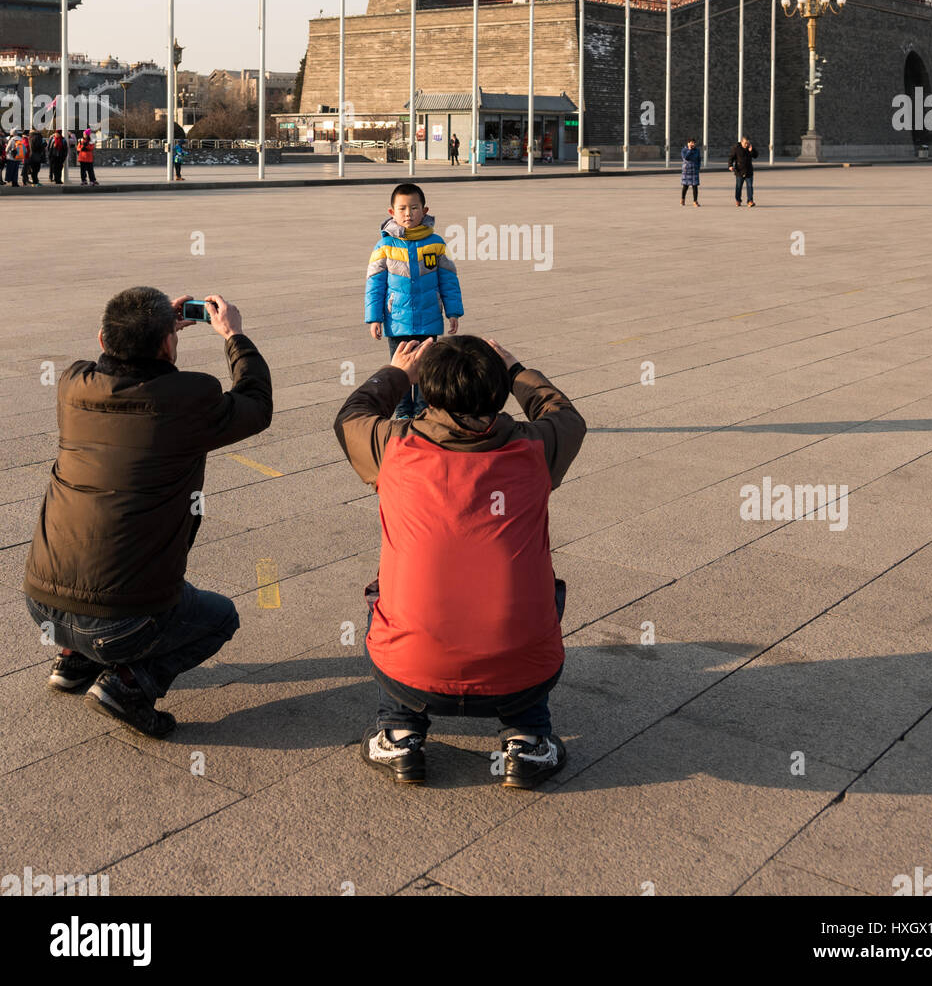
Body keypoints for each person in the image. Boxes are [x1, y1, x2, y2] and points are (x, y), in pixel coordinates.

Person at [335, 334, 586, 789]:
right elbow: (566, 416)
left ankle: (400, 735)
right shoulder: (536, 449)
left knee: (385, 596)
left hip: (411, 672)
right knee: (539, 598)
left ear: (428, 392)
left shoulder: (393, 448)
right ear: (498, 391)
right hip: (522, 672)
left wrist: (397, 373)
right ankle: (528, 742)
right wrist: (515, 369)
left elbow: (351, 415)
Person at [23, 288, 273, 738]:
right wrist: (233, 335)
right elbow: (256, 405)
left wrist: (154, 336)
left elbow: (112, 363)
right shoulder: (190, 395)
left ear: (103, 339)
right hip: (122, 620)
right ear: (165, 344)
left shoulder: (71, 384)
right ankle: (128, 685)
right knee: (220, 617)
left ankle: (73, 660)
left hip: (41, 605)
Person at [365, 182, 463, 420]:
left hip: (428, 321)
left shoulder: (436, 243)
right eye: (402, 208)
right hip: (397, 321)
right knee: (399, 369)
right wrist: (374, 318)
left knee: (426, 369)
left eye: (414, 208)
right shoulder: (385, 246)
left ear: (425, 210)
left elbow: (448, 280)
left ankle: (422, 411)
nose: (408, 214)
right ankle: (401, 413)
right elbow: (375, 284)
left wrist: (453, 312)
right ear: (392, 212)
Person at [728, 136, 758, 207]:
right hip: (739, 171)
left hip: (749, 171)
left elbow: (756, 156)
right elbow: (731, 157)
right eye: (745, 143)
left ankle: (750, 201)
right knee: (738, 187)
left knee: (750, 186)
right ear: (741, 142)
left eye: (747, 143)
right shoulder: (736, 148)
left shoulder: (750, 147)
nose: (746, 145)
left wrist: (752, 151)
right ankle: (738, 200)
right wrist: (730, 165)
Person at [680, 138, 702, 206]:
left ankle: (695, 201)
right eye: (691, 143)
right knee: (685, 186)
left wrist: (698, 168)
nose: (693, 144)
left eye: (694, 143)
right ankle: (682, 199)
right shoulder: (684, 150)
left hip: (694, 170)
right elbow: (686, 158)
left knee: (695, 186)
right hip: (687, 171)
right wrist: (689, 150)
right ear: (688, 143)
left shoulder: (697, 150)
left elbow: (699, 159)